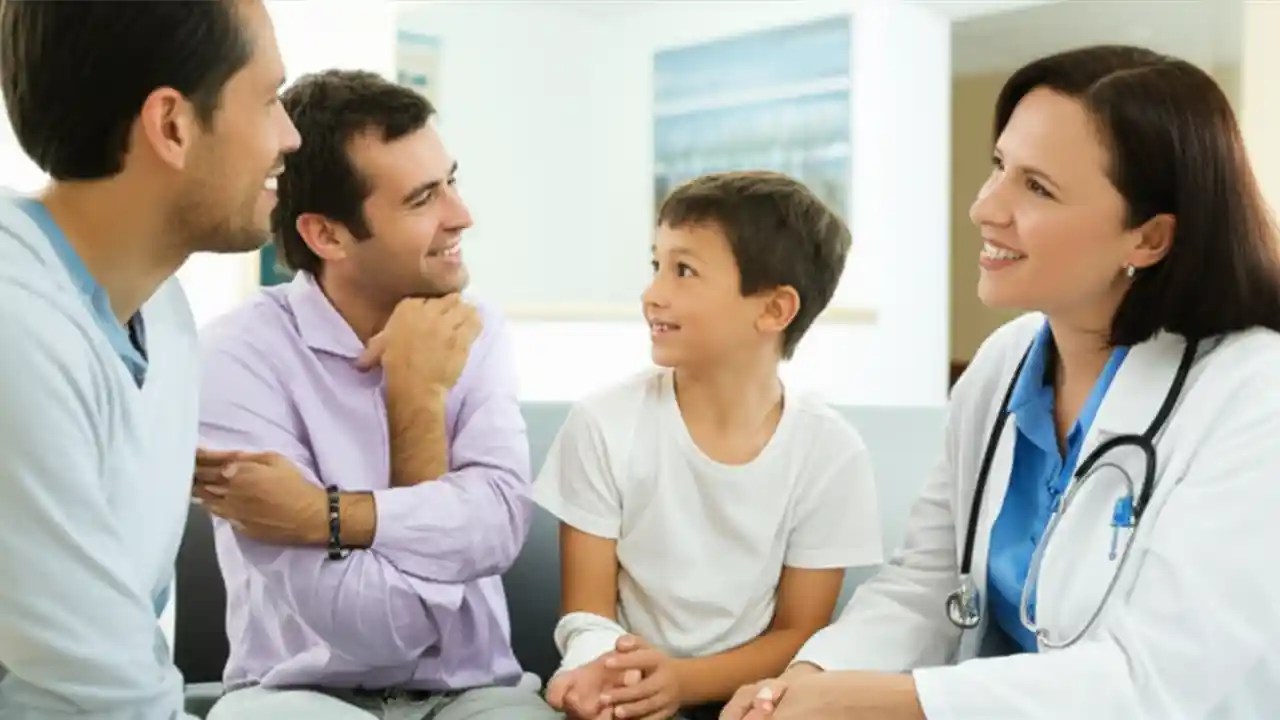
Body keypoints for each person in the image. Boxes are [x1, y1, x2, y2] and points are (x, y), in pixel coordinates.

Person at [721, 45, 1280, 720]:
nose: (986, 207)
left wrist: (882, 701)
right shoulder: (1004, 361)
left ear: (1150, 239)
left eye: (1037, 187)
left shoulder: (1253, 395)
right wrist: (808, 678)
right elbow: (925, 583)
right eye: (999, 168)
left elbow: (1153, 682)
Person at [193, 69, 559, 720]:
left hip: (476, 693)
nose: (461, 215)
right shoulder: (234, 357)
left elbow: (500, 524)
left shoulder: (474, 326)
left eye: (452, 181)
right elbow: (386, 629)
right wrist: (415, 400)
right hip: (295, 698)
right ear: (327, 235)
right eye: (423, 200)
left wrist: (323, 515)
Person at [0, 1, 299, 717]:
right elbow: (96, 687)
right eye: (268, 100)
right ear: (172, 125)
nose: (290, 136)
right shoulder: (16, 329)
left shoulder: (162, 314)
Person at [534, 171, 885, 720]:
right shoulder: (603, 423)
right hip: (628, 697)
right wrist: (603, 676)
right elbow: (587, 615)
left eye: (684, 270)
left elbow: (801, 632)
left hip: (753, 704)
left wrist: (682, 683)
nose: (653, 294)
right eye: (657, 265)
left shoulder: (830, 452)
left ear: (773, 310)